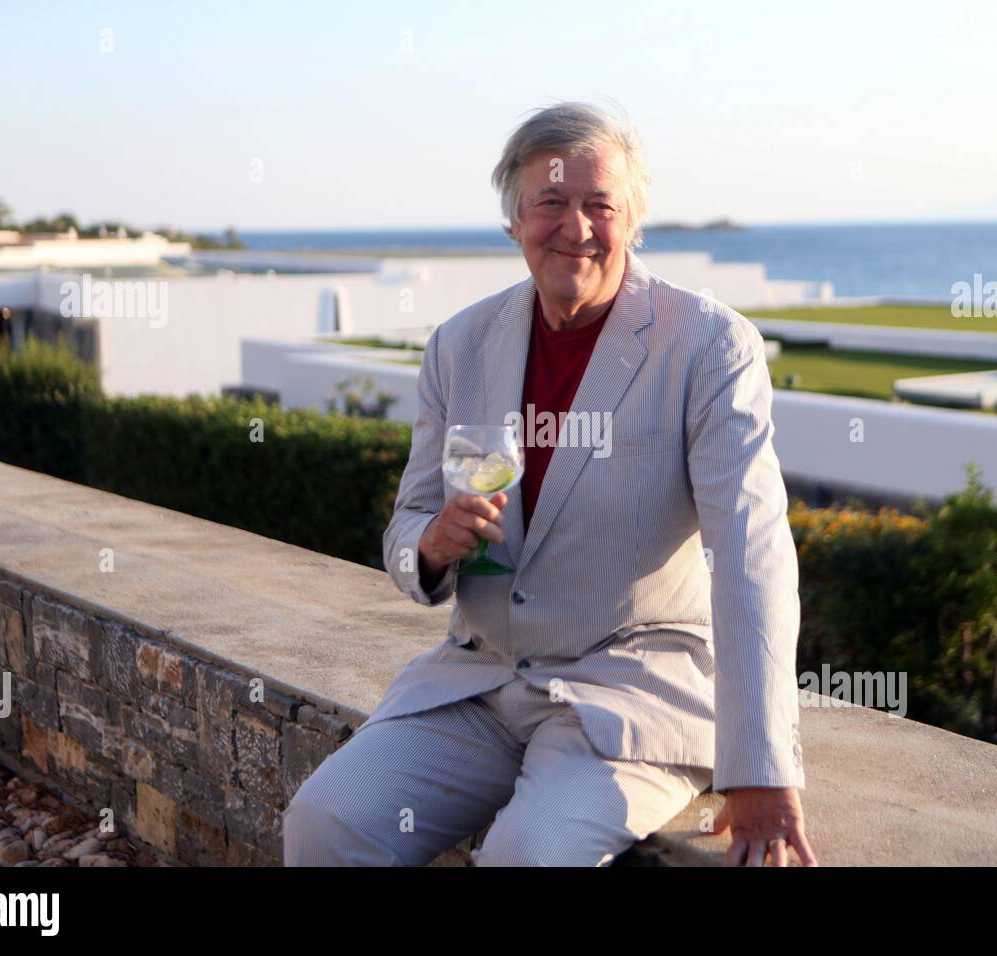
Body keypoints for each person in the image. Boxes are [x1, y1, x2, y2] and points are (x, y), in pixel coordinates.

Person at [283, 101, 816, 867]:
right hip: (477, 685)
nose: (577, 227)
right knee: (326, 820)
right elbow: (408, 527)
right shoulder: (460, 345)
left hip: (628, 695)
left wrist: (760, 765)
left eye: (601, 205)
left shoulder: (708, 346)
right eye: (551, 203)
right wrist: (430, 547)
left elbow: (752, 555)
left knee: (526, 858)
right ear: (514, 222)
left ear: (633, 221)